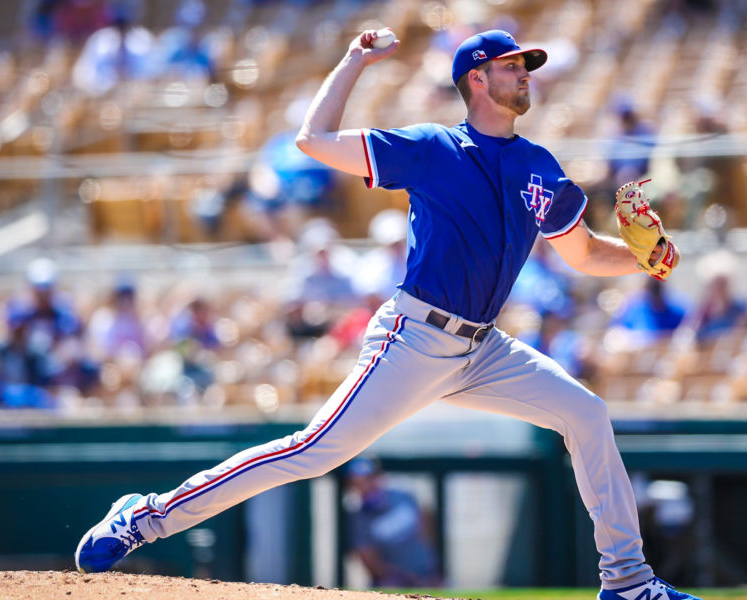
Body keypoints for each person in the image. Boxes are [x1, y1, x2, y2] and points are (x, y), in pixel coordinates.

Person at [74, 29, 697, 600]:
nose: (525, 74)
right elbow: (311, 140)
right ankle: (144, 516)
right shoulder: (432, 148)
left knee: (586, 414)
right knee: (312, 451)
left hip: (484, 349)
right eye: (512, 66)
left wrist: (646, 258)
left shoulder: (539, 165)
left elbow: (585, 253)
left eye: (526, 66)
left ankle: (629, 584)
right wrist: (352, 63)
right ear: (477, 79)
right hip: (417, 336)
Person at [343, 457, 442, 588]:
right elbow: (369, 560)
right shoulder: (359, 517)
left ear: (379, 476)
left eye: (369, 478)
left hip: (428, 573)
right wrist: (405, 576)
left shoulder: (403, 496)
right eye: (358, 482)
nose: (366, 486)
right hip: (393, 581)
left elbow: (427, 524)